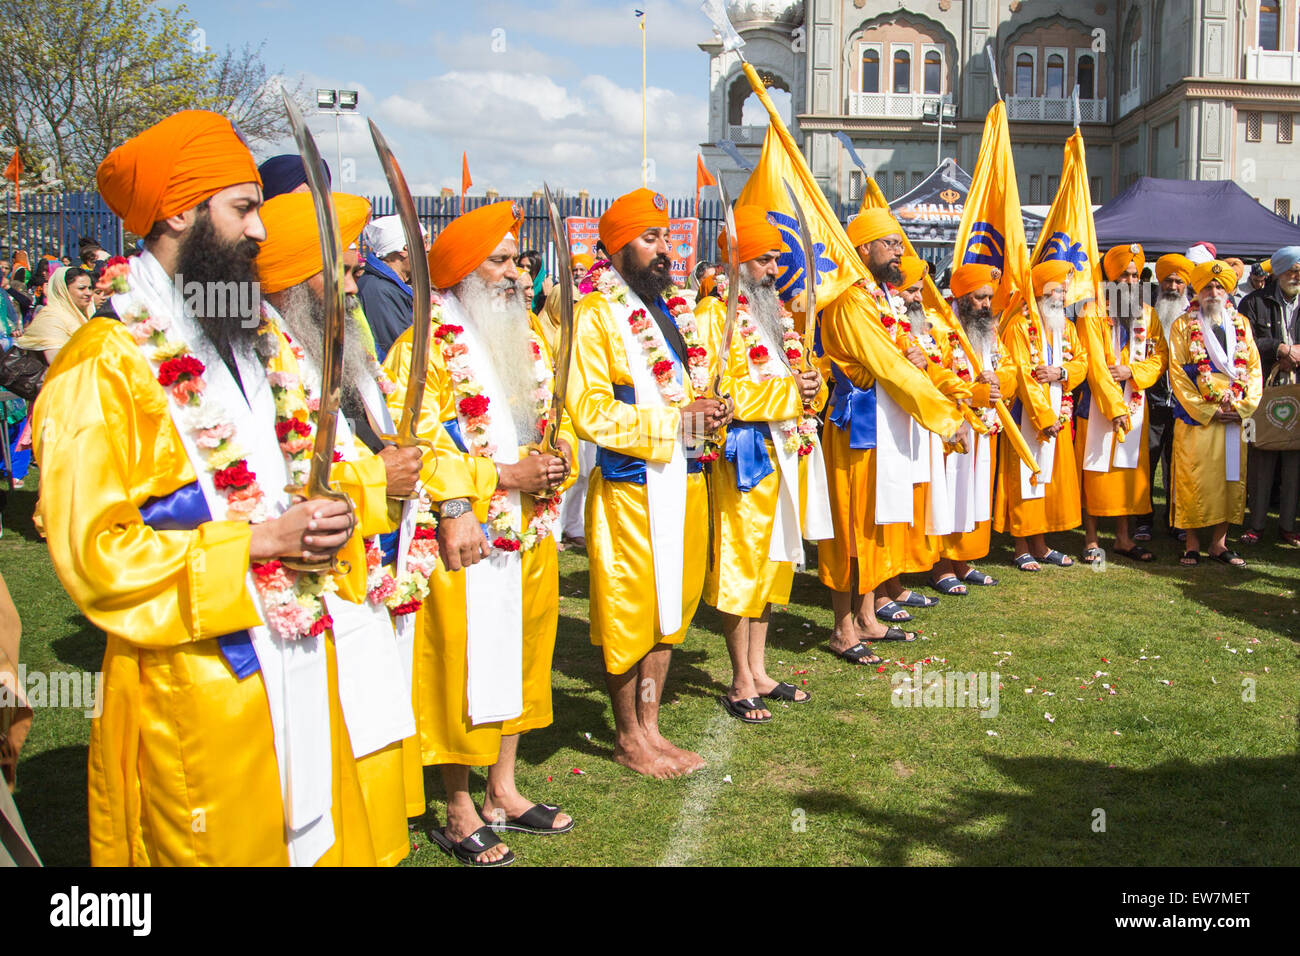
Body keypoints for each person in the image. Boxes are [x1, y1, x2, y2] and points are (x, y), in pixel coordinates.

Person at [31, 110, 395, 866]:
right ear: (175, 212)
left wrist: (332, 505)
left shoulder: (252, 330)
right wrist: (259, 541)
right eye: (243, 208)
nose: (263, 231)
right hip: (194, 684)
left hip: (295, 641)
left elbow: (303, 460)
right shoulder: (104, 364)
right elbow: (96, 554)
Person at [384, 200, 578, 865]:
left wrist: (557, 462)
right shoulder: (421, 345)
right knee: (461, 668)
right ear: (462, 272)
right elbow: (411, 445)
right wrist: (500, 478)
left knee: (520, 656)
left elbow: (559, 419)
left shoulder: (526, 339)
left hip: (529, 532)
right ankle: (459, 805)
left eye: (515, 260)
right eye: (498, 261)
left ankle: (505, 790)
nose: (516, 274)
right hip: (464, 535)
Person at [257, 189, 429, 867]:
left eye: (359, 273)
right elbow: (277, 489)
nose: (357, 288)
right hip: (301, 594)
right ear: (300, 278)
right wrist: (377, 480)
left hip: (360, 574)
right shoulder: (265, 361)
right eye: (347, 274)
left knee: (364, 737)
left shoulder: (321, 350)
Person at [566, 187, 730, 778]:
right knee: (631, 611)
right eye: (650, 238)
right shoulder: (596, 314)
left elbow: (681, 390)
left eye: (666, 237)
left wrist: (710, 412)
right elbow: (589, 410)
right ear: (617, 248)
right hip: (632, 486)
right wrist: (676, 423)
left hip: (682, 477)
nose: (665, 250)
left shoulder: (669, 309)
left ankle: (653, 728)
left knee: (670, 609)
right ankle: (629, 737)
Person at [696, 206, 830, 723]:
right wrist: (790, 391)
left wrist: (809, 387)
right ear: (736, 260)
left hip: (783, 451)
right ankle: (738, 679)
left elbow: (787, 383)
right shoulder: (714, 315)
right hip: (743, 458)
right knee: (741, 565)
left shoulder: (770, 315)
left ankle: (759, 669)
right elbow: (716, 393)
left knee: (773, 562)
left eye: (776, 259)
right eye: (764, 259)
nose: (775, 269)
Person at [818, 208, 964, 666]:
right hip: (857, 429)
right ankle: (843, 629)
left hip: (884, 426)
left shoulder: (880, 298)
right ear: (864, 250)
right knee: (850, 526)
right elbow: (890, 366)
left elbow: (904, 355)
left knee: (874, 525)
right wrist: (944, 416)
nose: (900, 252)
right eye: (891, 244)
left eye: (900, 243)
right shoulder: (849, 301)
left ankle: (867, 617)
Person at [994, 260, 1089, 571]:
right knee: (1026, 478)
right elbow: (1021, 375)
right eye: (1055, 291)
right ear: (1039, 292)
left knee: (1046, 480)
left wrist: (1062, 372)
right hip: (1029, 418)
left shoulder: (1068, 328)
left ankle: (1041, 543)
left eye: (1063, 291)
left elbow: (1082, 362)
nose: (1061, 297)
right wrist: (1044, 418)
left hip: (1058, 415)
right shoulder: (1019, 327)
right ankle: (1021, 545)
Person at [1077, 244, 1169, 562]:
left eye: (1135, 275)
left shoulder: (1148, 314)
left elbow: (1160, 357)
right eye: (1124, 275)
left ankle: (1123, 538)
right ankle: (1091, 540)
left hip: (1134, 399)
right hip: (1097, 404)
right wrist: (1114, 407)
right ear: (1110, 278)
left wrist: (1132, 370)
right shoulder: (1091, 312)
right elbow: (1093, 364)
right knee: (1095, 469)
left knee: (1126, 470)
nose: (1130, 281)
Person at [1169, 260, 1263, 566]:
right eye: (1207, 286)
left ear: (1228, 291)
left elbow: (1253, 370)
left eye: (1219, 286)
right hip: (1199, 417)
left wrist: (1240, 407)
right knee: (1194, 478)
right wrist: (1209, 409)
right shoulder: (1183, 325)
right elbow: (1178, 375)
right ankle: (1192, 544)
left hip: (1234, 416)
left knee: (1229, 477)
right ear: (1198, 289)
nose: (1213, 291)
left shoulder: (1242, 324)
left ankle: (1219, 544)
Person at [930, 264, 1017, 589]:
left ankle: (962, 560)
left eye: (989, 298)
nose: (986, 305)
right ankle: (940, 565)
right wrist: (976, 393)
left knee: (973, 493)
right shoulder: (940, 325)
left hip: (983, 427)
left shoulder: (988, 329)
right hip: (952, 427)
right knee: (948, 492)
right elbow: (936, 374)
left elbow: (1009, 367)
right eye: (980, 298)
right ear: (963, 297)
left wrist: (1000, 380)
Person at [1237, 245, 1300, 545]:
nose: (1296, 275)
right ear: (1278, 271)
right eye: (1291, 269)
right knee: (1261, 457)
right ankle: (1257, 524)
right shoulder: (1253, 302)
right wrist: (1278, 349)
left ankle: (1288, 526)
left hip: (1298, 394)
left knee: (1294, 460)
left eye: (1299, 271)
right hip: (1264, 391)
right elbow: (1244, 339)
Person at [1134, 253, 1193, 540]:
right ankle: (1142, 520)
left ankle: (1177, 521)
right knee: (1146, 461)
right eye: (1168, 280)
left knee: (1179, 464)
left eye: (1179, 281)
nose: (1173, 286)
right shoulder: (1144, 309)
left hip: (1185, 404)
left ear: (1186, 285)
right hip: (1151, 399)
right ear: (1159, 280)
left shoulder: (1194, 313)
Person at [357, 215, 416, 360]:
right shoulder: (378, 290)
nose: (427, 250)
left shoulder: (388, 285)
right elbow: (399, 347)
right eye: (424, 243)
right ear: (404, 249)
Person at [13, 266, 93, 363]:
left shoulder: (84, 315)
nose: (88, 293)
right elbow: (58, 363)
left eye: (90, 288)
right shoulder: (50, 319)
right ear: (63, 290)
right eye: (82, 288)